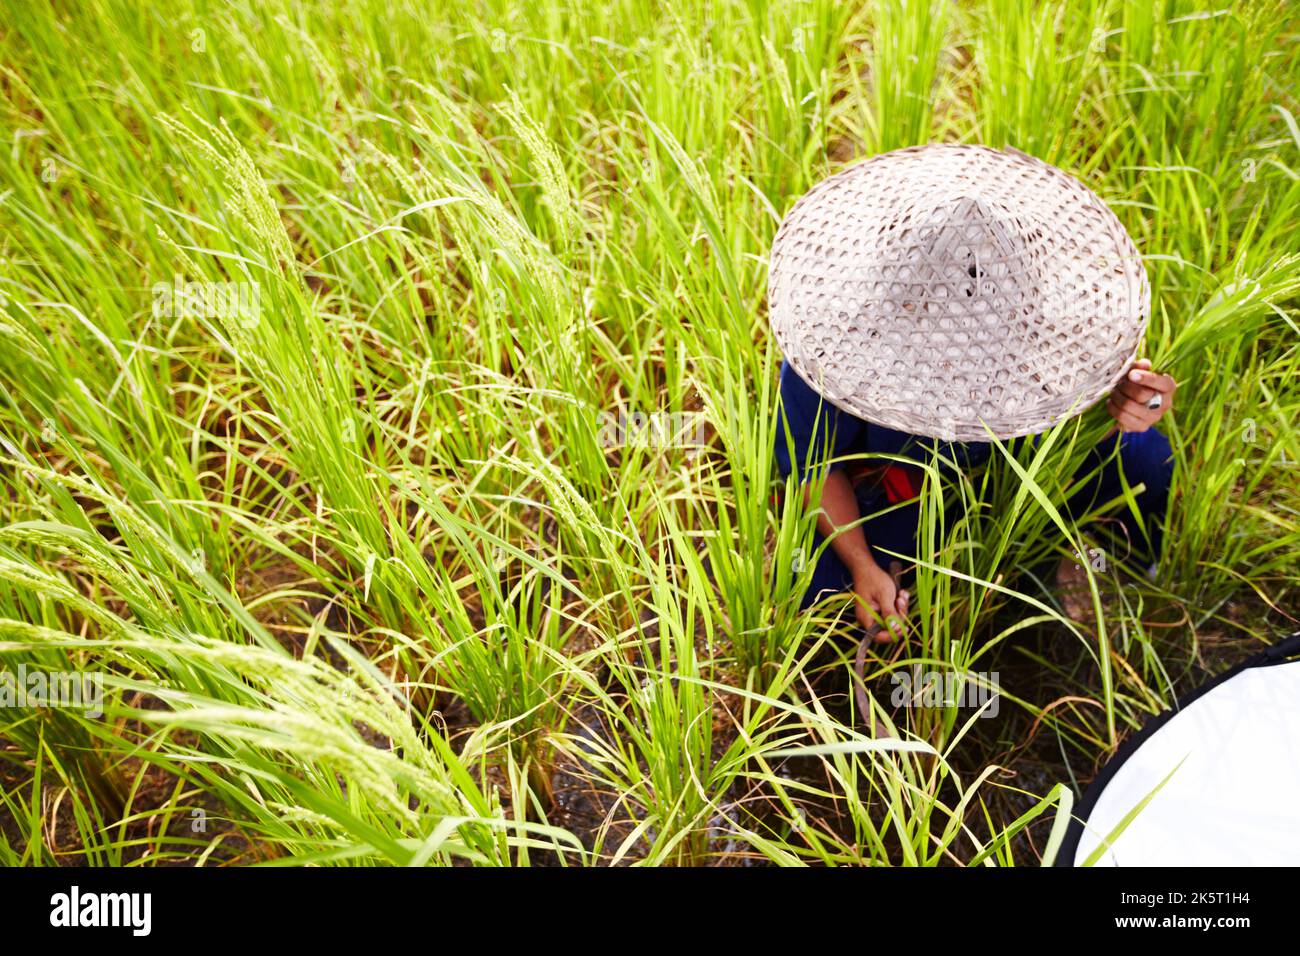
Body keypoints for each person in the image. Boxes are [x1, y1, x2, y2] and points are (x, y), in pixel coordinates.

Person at [775, 357, 1176, 640]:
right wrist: (863, 566)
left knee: (1146, 461)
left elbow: (1108, 407)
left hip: (1026, 466)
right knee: (818, 594)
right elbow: (817, 465)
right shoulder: (827, 345)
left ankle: (1104, 571)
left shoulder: (1064, 316)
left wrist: (1139, 402)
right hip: (906, 490)